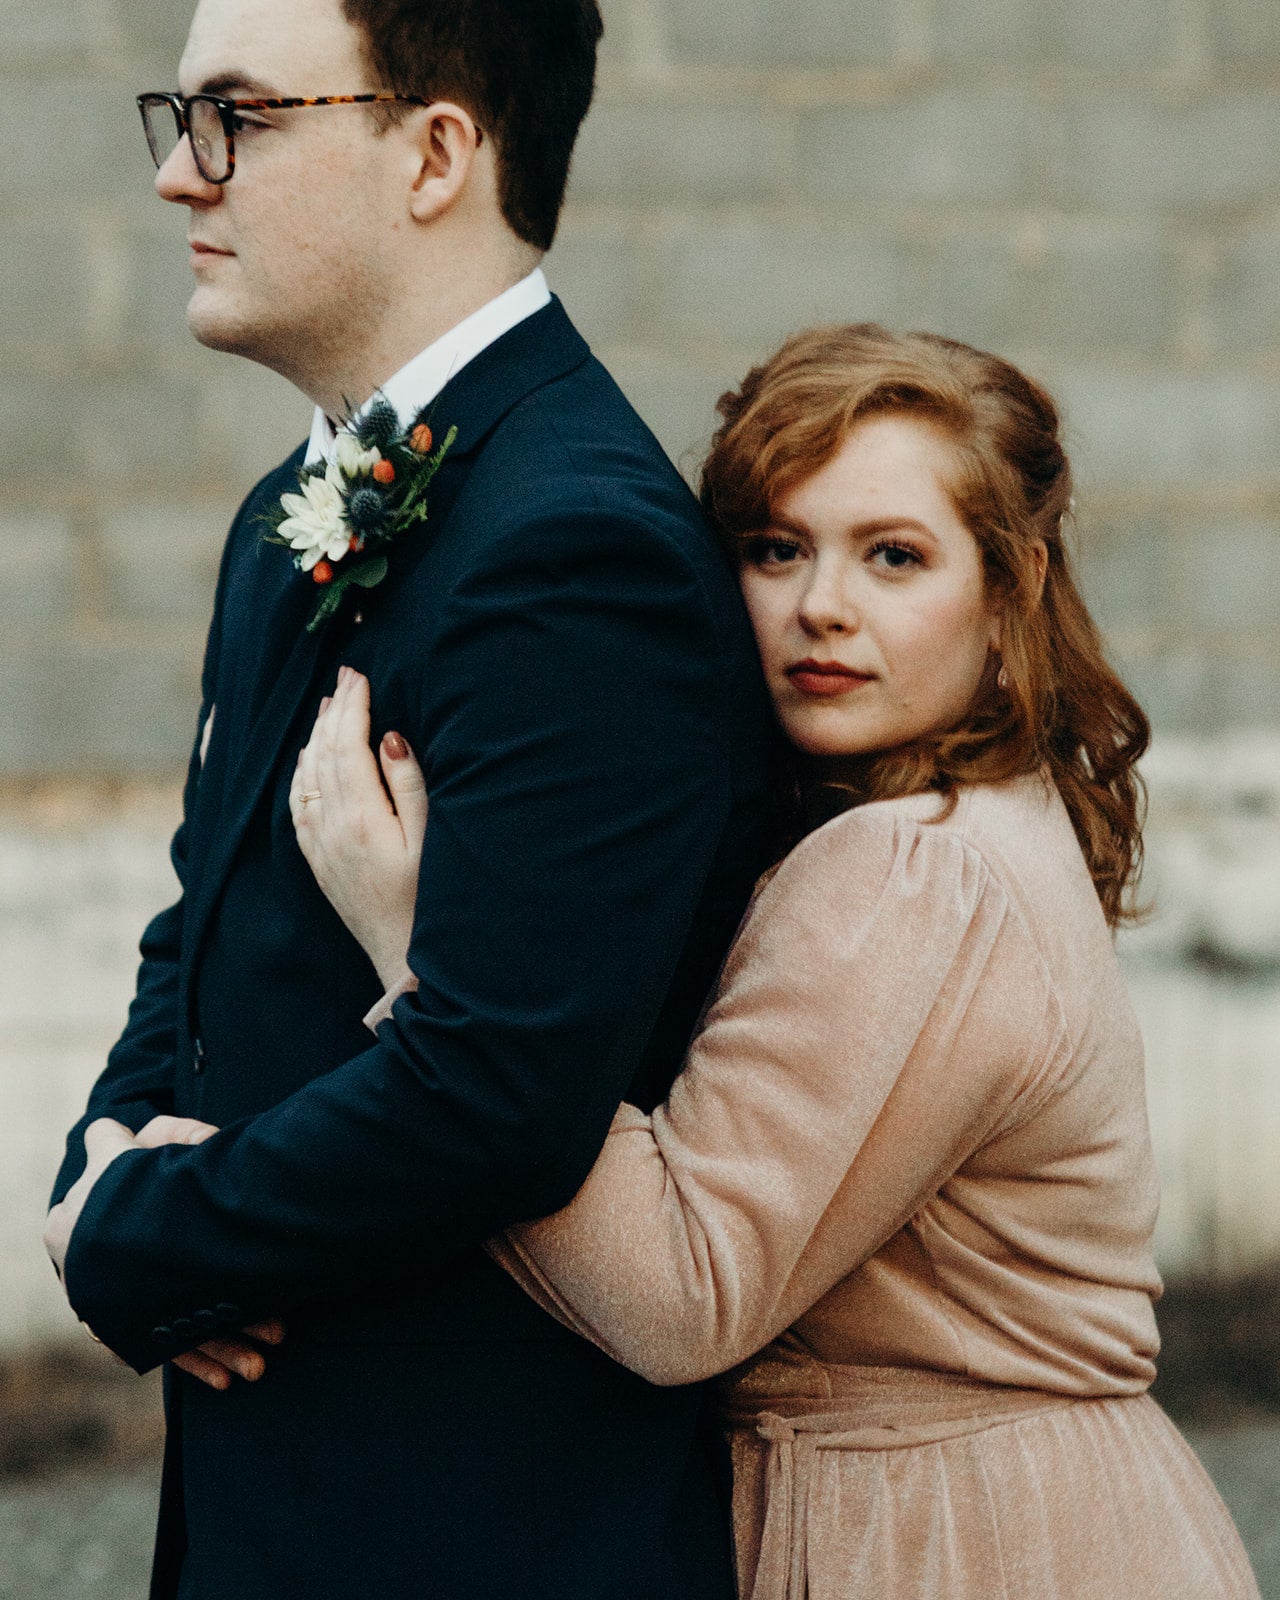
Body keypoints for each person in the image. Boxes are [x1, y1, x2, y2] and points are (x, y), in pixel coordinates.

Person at [291, 326, 1261, 1600]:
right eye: (775, 548)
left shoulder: (915, 875)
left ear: (1007, 587)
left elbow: (679, 1293)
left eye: (894, 557)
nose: (821, 608)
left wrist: (420, 945)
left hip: (956, 1541)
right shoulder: (967, 819)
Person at [42, 1, 774, 1596]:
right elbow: (204, 917)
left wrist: (142, 1237)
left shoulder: (580, 549)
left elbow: (504, 1086)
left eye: (240, 113)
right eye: (184, 114)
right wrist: (104, 1149)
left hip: (472, 1519)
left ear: (437, 150)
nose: (182, 175)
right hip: (270, 1507)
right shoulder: (287, 512)